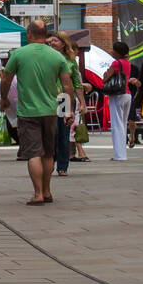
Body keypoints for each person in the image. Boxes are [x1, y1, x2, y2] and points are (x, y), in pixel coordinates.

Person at [0, 20, 75, 205]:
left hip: (28, 111)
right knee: (48, 154)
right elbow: (67, 85)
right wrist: (68, 109)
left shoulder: (19, 54)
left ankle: (38, 193)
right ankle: (47, 191)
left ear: (29, 34)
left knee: (33, 154)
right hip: (51, 111)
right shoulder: (57, 57)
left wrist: (4, 98)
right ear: (45, 34)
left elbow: (6, 80)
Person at [47, 32, 83, 176]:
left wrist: (82, 103)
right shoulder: (46, 59)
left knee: (63, 132)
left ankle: (62, 166)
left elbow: (76, 82)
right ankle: (50, 162)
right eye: (49, 42)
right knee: (51, 133)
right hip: (49, 98)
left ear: (63, 43)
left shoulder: (70, 61)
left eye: (55, 41)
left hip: (64, 99)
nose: (51, 44)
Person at [101, 40, 135, 162]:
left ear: (117, 52)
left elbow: (105, 78)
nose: (111, 52)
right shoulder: (127, 63)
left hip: (117, 95)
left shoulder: (116, 63)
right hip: (127, 94)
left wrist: (105, 75)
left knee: (116, 125)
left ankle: (119, 155)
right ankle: (122, 153)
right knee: (123, 124)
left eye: (113, 50)